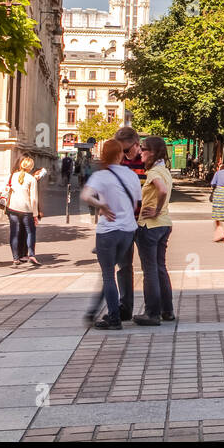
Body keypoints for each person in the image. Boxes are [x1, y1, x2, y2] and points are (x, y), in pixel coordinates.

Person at [80, 140, 140, 330]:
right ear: (121, 154)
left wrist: (102, 206)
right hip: (128, 230)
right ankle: (98, 311)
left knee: (107, 275)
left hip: (108, 230)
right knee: (117, 270)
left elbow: (85, 196)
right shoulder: (131, 175)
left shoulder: (101, 176)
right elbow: (137, 203)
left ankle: (114, 318)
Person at [132, 137, 174, 326]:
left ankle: (152, 313)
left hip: (149, 225)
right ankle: (167, 311)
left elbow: (162, 190)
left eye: (143, 149)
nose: (140, 152)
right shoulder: (165, 170)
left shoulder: (154, 172)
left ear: (153, 152)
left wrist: (155, 209)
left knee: (149, 270)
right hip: (164, 224)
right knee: (160, 268)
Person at [114, 127, 145, 321]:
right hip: (123, 223)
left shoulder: (148, 161)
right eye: (121, 150)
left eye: (127, 150)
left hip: (142, 222)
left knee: (149, 266)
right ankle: (125, 307)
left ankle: (154, 308)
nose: (124, 154)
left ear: (137, 144)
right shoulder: (118, 162)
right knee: (124, 266)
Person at [4, 156, 41, 266]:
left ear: (21, 165)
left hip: (12, 208)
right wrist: (35, 215)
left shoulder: (11, 176)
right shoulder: (32, 179)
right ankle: (32, 255)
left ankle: (15, 258)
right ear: (31, 167)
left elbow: (2, 188)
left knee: (14, 233)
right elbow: (34, 199)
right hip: (26, 210)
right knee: (30, 232)